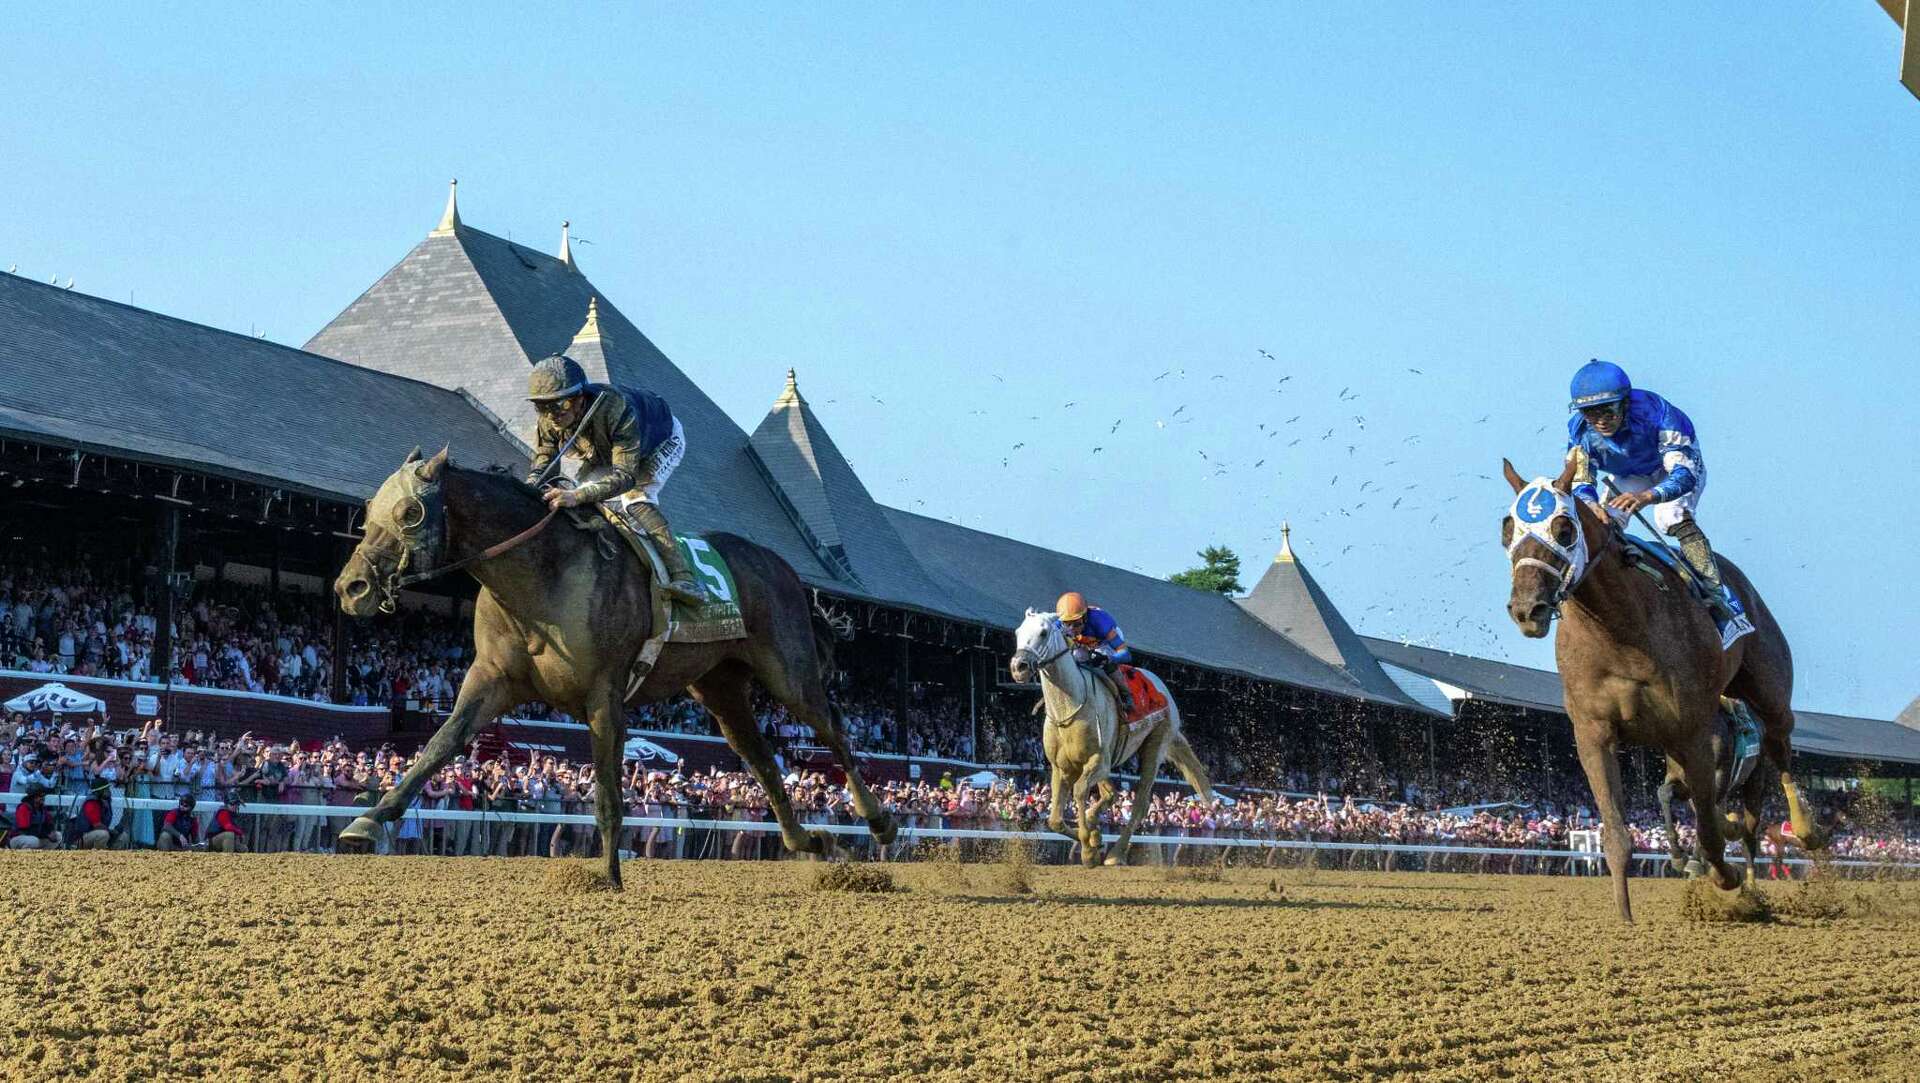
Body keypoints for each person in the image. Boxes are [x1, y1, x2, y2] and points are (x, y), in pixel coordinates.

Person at [1563, 360, 1747, 627]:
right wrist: (1591, 504)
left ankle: (1714, 588)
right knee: (1603, 521)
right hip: (1630, 475)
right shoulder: (1579, 431)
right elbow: (1581, 479)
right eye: (1591, 413)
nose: (1600, 421)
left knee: (1669, 516)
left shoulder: (1659, 415)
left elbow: (1683, 477)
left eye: (1608, 412)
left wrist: (1647, 497)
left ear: (1625, 403)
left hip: (1673, 469)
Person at [523, 354, 708, 605]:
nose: (552, 415)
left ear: (579, 398)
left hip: (658, 442)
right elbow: (546, 457)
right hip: (605, 450)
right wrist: (529, 484)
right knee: (581, 494)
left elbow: (625, 477)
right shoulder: (549, 419)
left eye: (560, 405)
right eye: (542, 406)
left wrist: (576, 496)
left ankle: (684, 577)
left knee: (635, 499)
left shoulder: (617, 408)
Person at [1054, 591, 1135, 714]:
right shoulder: (1059, 624)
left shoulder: (1100, 622)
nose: (1072, 629)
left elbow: (1126, 654)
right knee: (1075, 659)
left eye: (1076, 624)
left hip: (1104, 642)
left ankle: (1126, 696)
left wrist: (1109, 658)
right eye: (1067, 624)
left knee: (1103, 661)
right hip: (1083, 643)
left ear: (1085, 618)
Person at [5, 784, 55, 849]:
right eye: (40, 796)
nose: (43, 798)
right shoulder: (24, 808)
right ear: (33, 797)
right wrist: (46, 835)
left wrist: (51, 832)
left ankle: (42, 856)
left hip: (35, 836)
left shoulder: (41, 808)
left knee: (58, 836)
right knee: (34, 841)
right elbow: (24, 830)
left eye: (44, 796)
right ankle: (22, 856)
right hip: (18, 838)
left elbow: (49, 822)